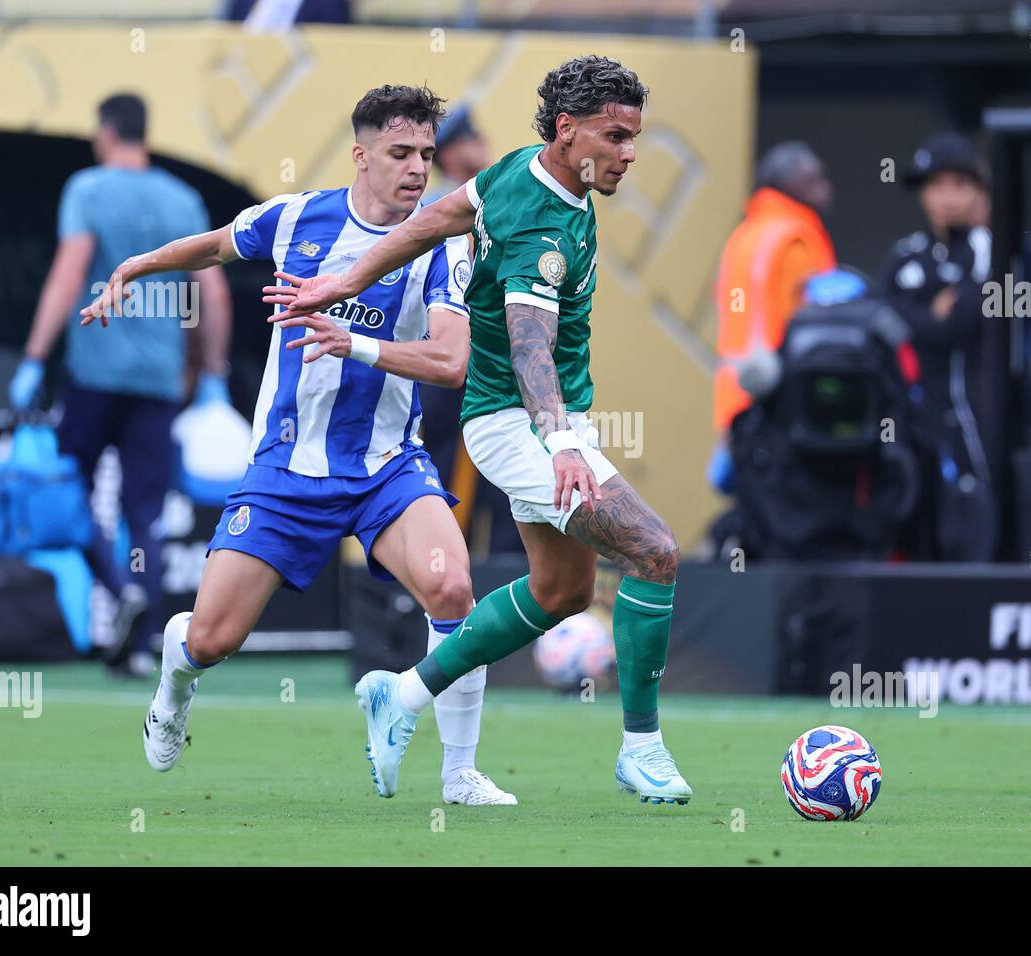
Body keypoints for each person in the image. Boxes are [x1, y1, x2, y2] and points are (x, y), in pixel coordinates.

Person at [265, 55, 692, 806]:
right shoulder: (541, 225)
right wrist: (561, 443)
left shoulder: (525, 169)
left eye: (634, 136)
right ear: (568, 128)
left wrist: (345, 279)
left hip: (537, 421)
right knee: (654, 550)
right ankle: (642, 747)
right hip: (521, 424)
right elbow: (529, 342)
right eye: (614, 135)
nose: (628, 153)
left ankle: (403, 695)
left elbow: (434, 220)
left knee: (562, 590)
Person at [80, 84, 517, 807]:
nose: (417, 169)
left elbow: (451, 362)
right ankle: (174, 678)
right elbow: (216, 245)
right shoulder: (296, 219)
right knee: (212, 640)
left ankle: (459, 773)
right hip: (286, 471)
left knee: (452, 586)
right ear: (361, 155)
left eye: (427, 154)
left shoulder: (443, 244)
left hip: (386, 467)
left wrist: (358, 345)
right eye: (400, 153)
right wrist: (134, 267)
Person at [10, 93, 233, 677]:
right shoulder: (182, 199)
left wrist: (34, 357)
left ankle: (116, 588)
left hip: (94, 377)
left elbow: (67, 273)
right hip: (158, 383)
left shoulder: (88, 189)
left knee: (68, 489)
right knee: (145, 513)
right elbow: (210, 294)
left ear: (105, 132)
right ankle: (140, 647)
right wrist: (212, 374)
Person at [878, 130, 995, 561]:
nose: (948, 197)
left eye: (959, 185)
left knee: (973, 511)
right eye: (937, 185)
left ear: (977, 192)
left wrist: (917, 316)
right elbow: (882, 319)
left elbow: (960, 325)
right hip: (911, 415)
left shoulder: (989, 251)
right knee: (912, 513)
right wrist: (930, 315)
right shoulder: (905, 255)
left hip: (973, 414)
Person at [419, 107, 522, 555]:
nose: (482, 144)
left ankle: (502, 573)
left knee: (506, 467)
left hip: (497, 354)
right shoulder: (439, 208)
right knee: (445, 461)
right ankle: (442, 564)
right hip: (455, 354)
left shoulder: (505, 198)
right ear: (452, 152)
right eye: (470, 138)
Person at [710, 142, 836, 489]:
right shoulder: (794, 238)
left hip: (737, 402)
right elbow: (812, 323)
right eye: (814, 180)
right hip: (781, 403)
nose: (826, 188)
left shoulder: (744, 235)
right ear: (787, 185)